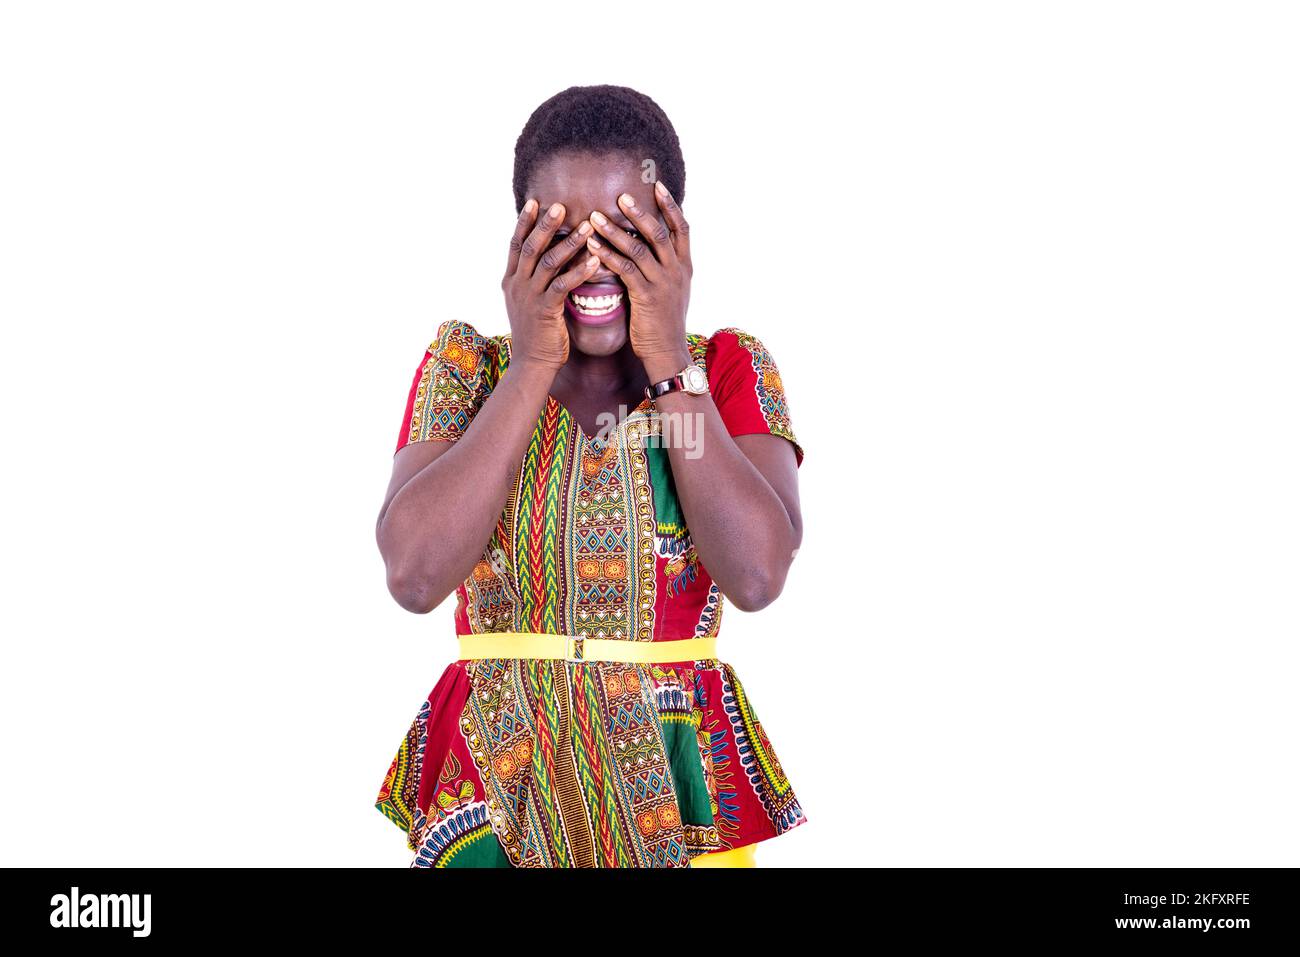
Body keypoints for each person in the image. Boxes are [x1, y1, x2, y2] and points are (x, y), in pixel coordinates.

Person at [373, 85, 807, 868]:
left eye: (626, 234)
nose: (594, 264)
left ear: (675, 234)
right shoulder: (468, 367)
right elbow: (414, 574)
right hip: (500, 792)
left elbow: (755, 574)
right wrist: (532, 361)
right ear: (520, 240)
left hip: (675, 794)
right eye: (561, 237)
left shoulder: (725, 369)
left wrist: (667, 355)